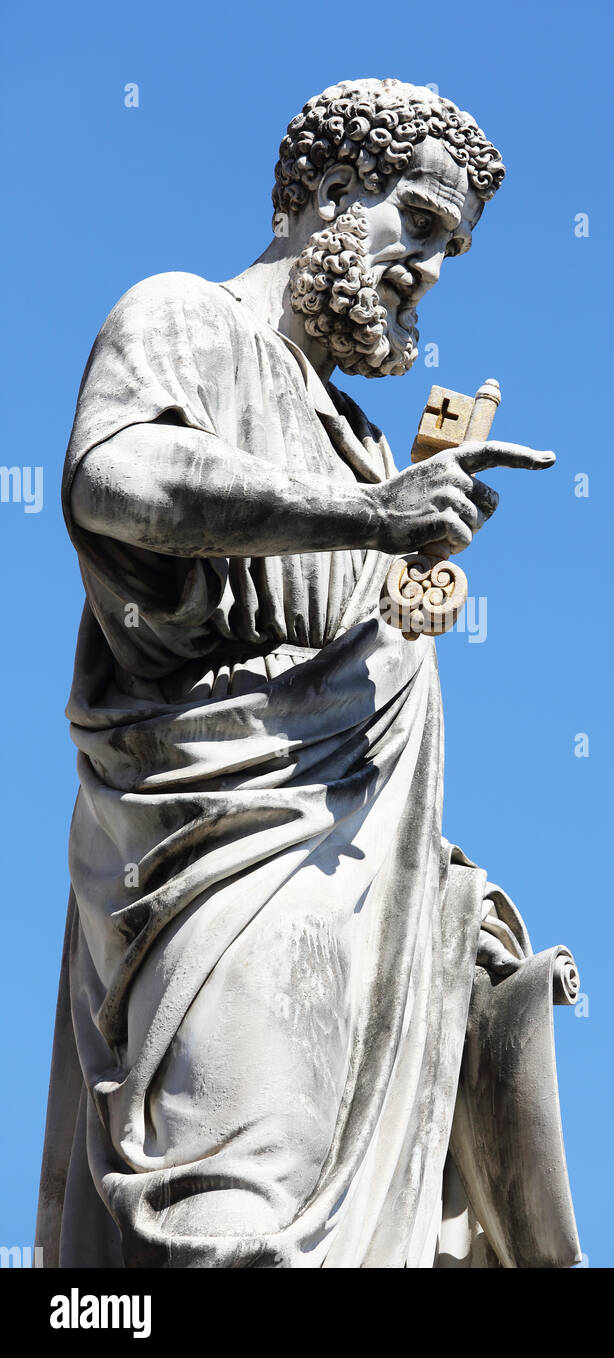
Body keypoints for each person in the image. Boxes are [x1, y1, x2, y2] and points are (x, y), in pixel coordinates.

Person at [36, 78, 572, 1268]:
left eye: (450, 249)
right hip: (216, 848)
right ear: (329, 191)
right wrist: (369, 518)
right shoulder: (183, 318)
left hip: (358, 886)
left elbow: (374, 712)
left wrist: (449, 900)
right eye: (418, 225)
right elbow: (113, 478)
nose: (428, 269)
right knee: (225, 1209)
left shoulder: (360, 437)